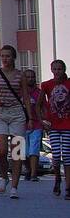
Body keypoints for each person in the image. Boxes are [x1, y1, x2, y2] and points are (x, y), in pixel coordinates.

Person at [0, 44, 32, 198]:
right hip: (0, 114)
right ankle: (4, 177)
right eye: (3, 56)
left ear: (14, 57)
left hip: (17, 114)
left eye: (8, 56)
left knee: (17, 152)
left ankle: (14, 186)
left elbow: (26, 97)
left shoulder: (21, 75)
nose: (5, 59)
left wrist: (30, 118)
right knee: (1, 152)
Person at [39, 60, 70, 199]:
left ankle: (68, 187)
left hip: (68, 125)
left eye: (59, 69)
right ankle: (57, 178)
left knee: (68, 157)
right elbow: (38, 105)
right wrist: (41, 121)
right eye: (54, 69)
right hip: (53, 126)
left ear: (64, 70)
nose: (57, 71)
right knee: (56, 155)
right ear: (51, 70)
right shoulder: (46, 85)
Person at [22, 68, 43, 183]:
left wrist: (44, 120)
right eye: (27, 77)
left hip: (36, 124)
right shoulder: (19, 92)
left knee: (34, 150)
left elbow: (43, 107)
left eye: (32, 77)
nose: (30, 79)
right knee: (24, 152)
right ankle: (28, 170)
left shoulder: (39, 92)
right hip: (21, 124)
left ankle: (34, 174)